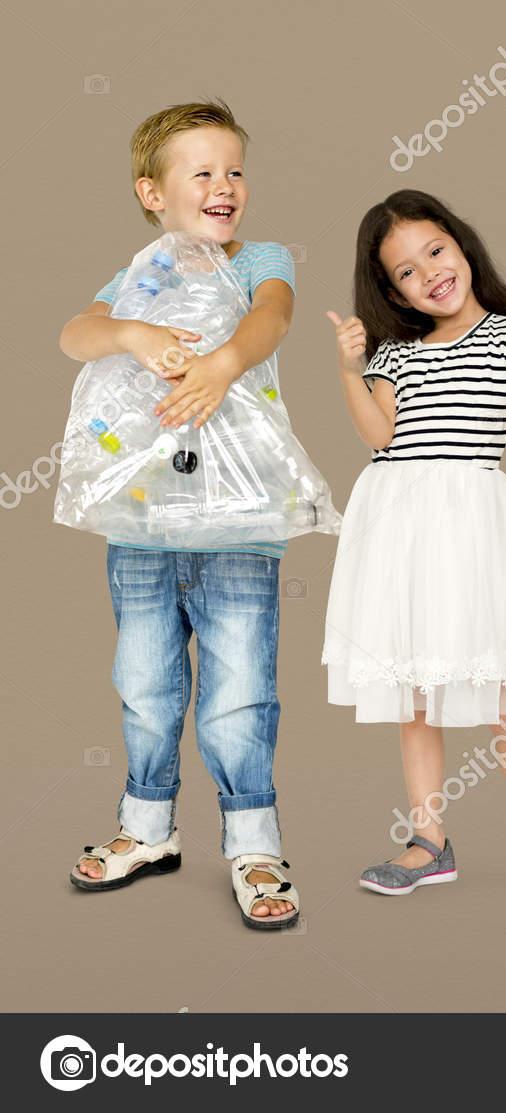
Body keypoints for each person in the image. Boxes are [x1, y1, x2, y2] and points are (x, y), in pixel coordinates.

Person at [61, 99, 305, 929]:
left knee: (238, 688)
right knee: (145, 682)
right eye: (202, 172)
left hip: (239, 519)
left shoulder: (256, 258)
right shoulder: (136, 278)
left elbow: (274, 314)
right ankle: (147, 827)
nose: (224, 185)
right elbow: (75, 334)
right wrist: (130, 333)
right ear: (151, 193)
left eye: (235, 169)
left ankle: (253, 840)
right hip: (143, 522)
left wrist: (223, 365)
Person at [323, 189, 506, 895]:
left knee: (505, 694)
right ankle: (428, 838)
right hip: (397, 526)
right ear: (392, 291)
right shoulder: (396, 356)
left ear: (461, 244)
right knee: (414, 692)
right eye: (405, 271)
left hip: (471, 528)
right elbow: (380, 437)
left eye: (435, 250)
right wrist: (349, 369)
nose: (429, 272)